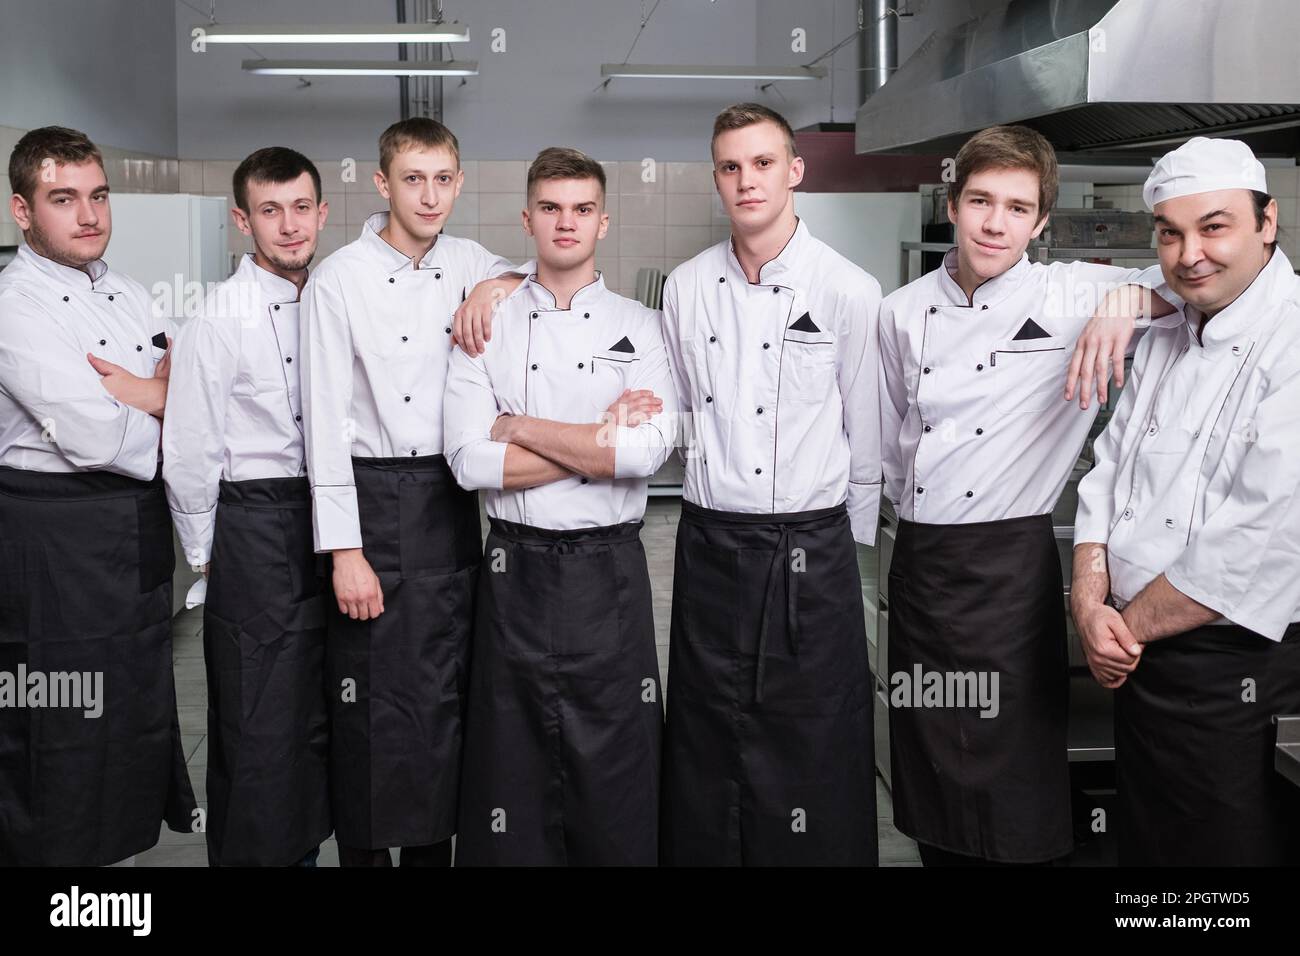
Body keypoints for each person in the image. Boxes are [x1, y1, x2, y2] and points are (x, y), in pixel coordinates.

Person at [878, 124, 1177, 866]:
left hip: (1009, 572)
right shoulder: (900, 311)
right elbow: (890, 436)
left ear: (1041, 221)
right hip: (923, 566)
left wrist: (1128, 299)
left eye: (1017, 208)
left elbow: (1198, 279)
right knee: (932, 762)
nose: (994, 222)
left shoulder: (1074, 289)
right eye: (980, 200)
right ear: (953, 203)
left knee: (1015, 776)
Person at [659, 103, 882, 865]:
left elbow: (868, 442)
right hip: (712, 543)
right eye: (730, 166)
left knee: (812, 733)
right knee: (707, 730)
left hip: (808, 551)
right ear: (716, 178)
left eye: (761, 163)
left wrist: (836, 559)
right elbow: (684, 414)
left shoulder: (849, 290)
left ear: (794, 171)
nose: (746, 180)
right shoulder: (686, 289)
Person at [444, 146, 677, 865]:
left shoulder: (644, 325)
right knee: (510, 762)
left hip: (609, 575)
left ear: (603, 221)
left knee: (615, 760)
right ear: (528, 218)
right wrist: (595, 439)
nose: (565, 222)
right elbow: (467, 462)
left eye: (581, 209)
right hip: (515, 571)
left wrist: (521, 426)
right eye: (550, 208)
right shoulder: (486, 322)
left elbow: (643, 455)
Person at [300, 117, 524, 867]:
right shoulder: (338, 279)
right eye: (413, 179)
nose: (429, 196)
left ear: (459, 182)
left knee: (444, 700)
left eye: (442, 180)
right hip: (370, 502)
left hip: (449, 505)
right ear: (381, 183)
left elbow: (536, 271)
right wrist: (345, 551)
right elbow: (324, 426)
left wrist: (496, 282)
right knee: (367, 703)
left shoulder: (470, 259)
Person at [1073, 136, 1300, 866]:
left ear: (1268, 223)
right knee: (1153, 852)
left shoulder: (1290, 339)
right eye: (1169, 234)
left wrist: (1123, 629)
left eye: (1214, 226)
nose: (1189, 253)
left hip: (1227, 664)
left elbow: (1259, 536)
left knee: (1216, 867)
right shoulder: (1173, 323)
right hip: (1142, 661)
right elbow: (1111, 466)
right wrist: (1086, 597)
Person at [0, 126, 195, 865]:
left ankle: (112, 882)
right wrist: (167, 402)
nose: (89, 215)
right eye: (63, 199)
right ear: (23, 211)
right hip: (54, 548)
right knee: (59, 734)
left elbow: (197, 384)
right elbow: (94, 437)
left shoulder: (126, 289)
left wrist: (155, 394)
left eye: (98, 195)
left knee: (127, 725)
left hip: (127, 538)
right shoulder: (15, 305)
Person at [162, 146, 331, 867]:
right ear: (242, 220)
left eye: (300, 208)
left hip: (322, 517)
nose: (289, 227)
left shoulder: (328, 299)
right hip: (252, 525)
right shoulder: (219, 318)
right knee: (256, 714)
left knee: (311, 710)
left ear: (322, 213)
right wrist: (207, 558)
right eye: (270, 211)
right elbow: (191, 451)